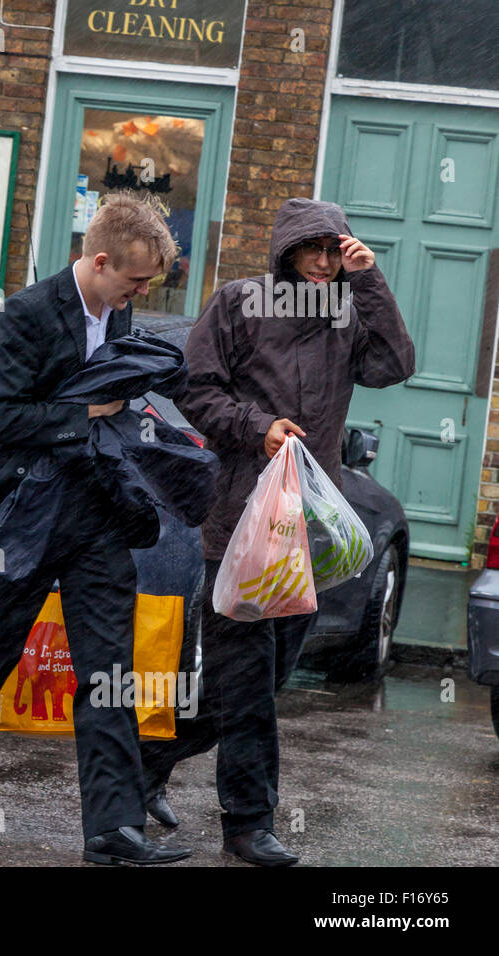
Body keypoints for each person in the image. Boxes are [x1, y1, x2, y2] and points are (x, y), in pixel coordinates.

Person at [0, 192, 191, 865]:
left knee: (109, 672)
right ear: (98, 260)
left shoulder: (122, 320)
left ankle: (114, 831)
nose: (142, 292)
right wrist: (86, 413)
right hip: (29, 511)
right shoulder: (29, 314)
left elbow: (124, 407)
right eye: (135, 280)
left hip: (97, 515)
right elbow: (3, 417)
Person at [139, 198, 415, 866]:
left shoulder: (347, 315)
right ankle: (248, 825)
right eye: (315, 249)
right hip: (239, 522)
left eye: (336, 250)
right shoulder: (238, 303)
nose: (325, 262)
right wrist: (255, 426)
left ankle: (143, 761)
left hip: (306, 531)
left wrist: (369, 279)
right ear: (287, 250)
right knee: (249, 686)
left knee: (256, 680)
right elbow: (195, 388)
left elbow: (397, 365)